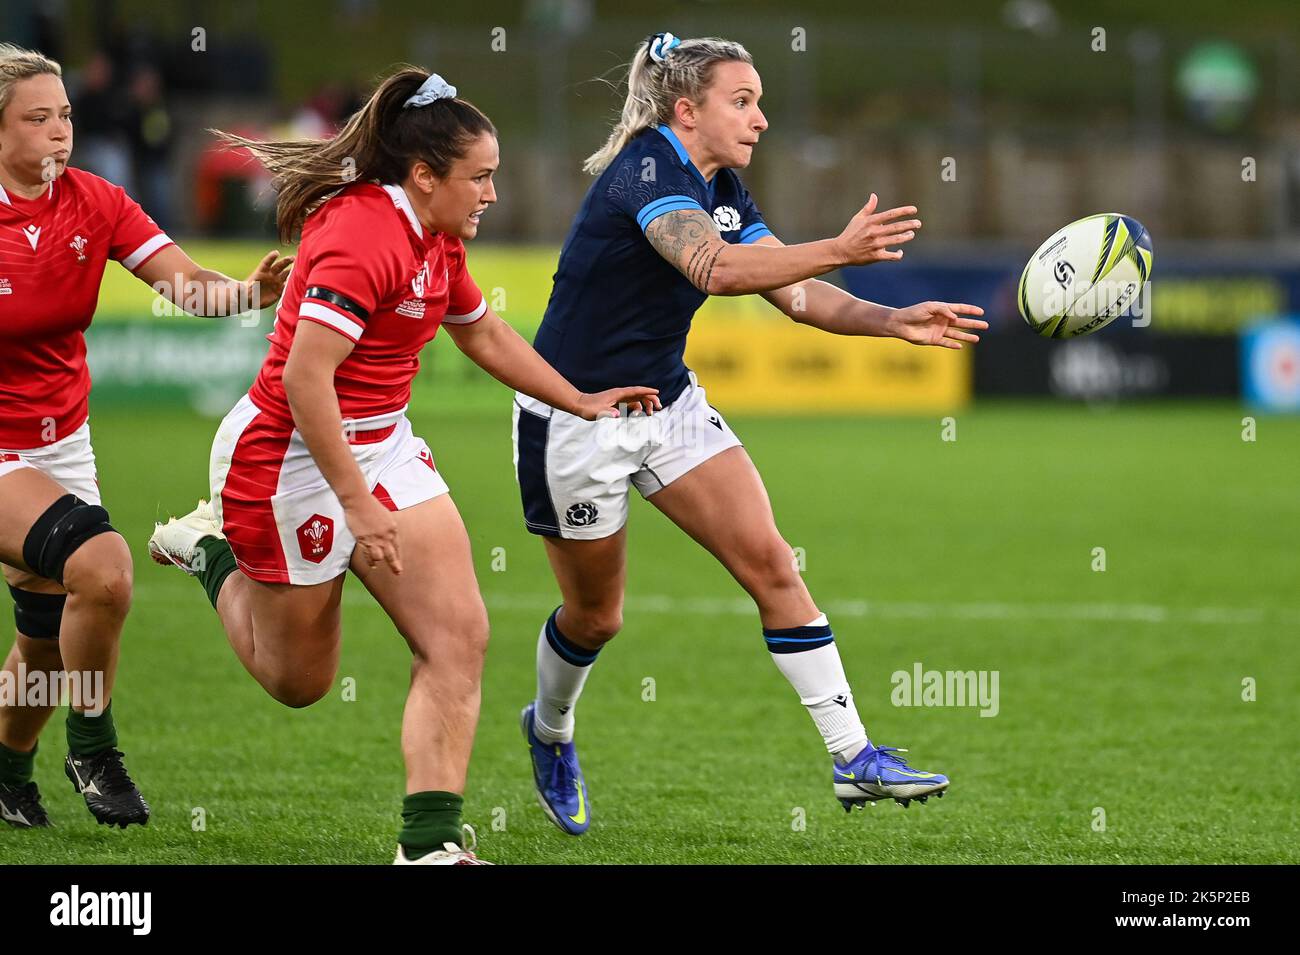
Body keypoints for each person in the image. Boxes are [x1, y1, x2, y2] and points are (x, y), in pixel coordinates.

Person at [147, 68, 658, 864]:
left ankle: (428, 847)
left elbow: (482, 333)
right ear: (424, 176)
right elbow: (303, 380)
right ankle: (208, 548)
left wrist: (579, 398)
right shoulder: (363, 236)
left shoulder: (438, 235)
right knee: (299, 682)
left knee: (459, 637)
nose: (492, 193)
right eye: (480, 177)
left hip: (381, 444)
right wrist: (356, 507)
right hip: (287, 458)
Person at [514, 33, 988, 835]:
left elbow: (796, 296)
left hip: (668, 408)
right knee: (596, 617)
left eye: (761, 100)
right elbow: (716, 270)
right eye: (744, 101)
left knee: (772, 560)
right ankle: (550, 729)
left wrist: (891, 319)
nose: (761, 119)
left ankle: (854, 757)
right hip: (577, 417)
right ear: (686, 109)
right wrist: (839, 247)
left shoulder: (721, 182)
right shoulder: (647, 170)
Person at [0, 43, 292, 829]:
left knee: (46, 648)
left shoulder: (95, 202)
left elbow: (185, 284)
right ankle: (93, 746)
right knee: (107, 566)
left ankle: (5, 773)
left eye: (64, 114)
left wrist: (248, 296)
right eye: (37, 118)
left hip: (61, 444)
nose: (60, 130)